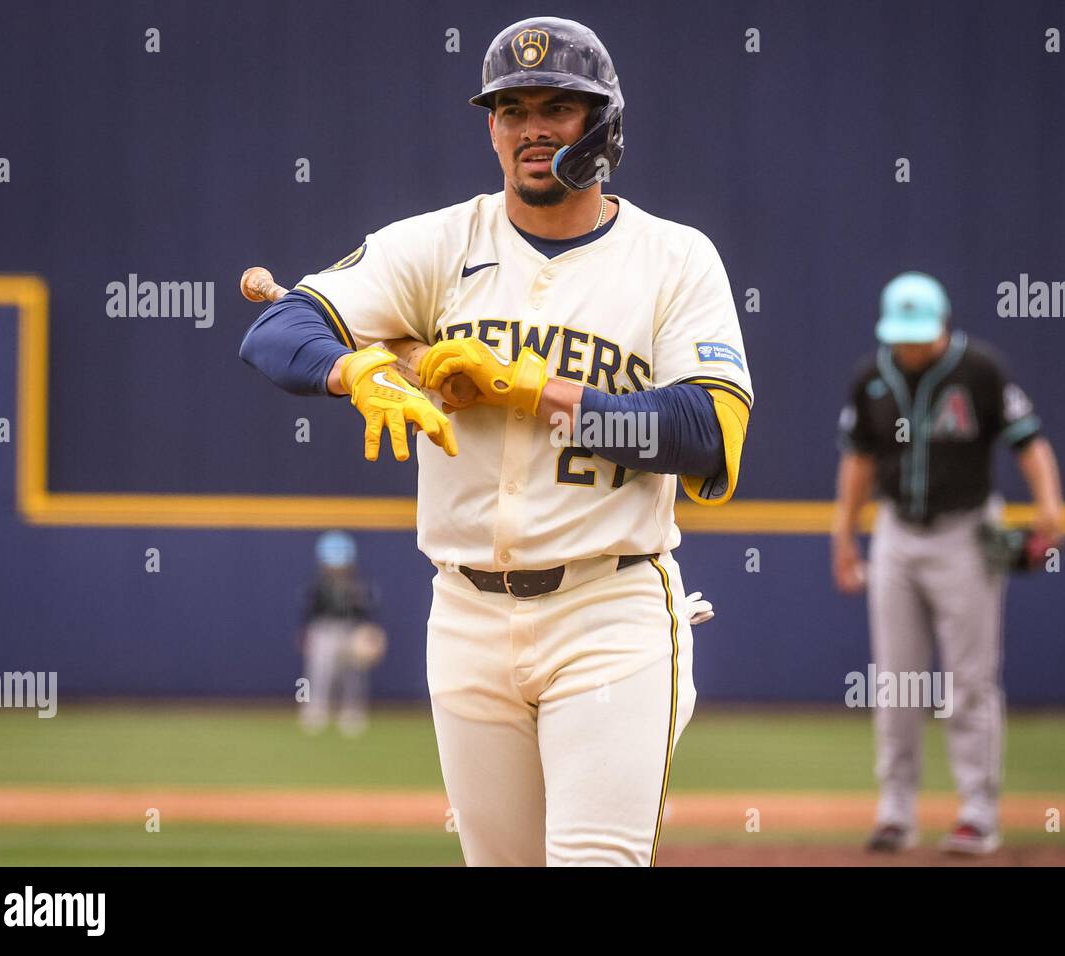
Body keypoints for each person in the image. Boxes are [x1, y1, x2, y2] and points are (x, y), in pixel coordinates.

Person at [239, 17, 751, 865]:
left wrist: (524, 388)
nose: (534, 129)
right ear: (490, 127)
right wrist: (357, 374)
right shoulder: (441, 244)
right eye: (512, 110)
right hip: (466, 612)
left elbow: (707, 431)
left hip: (608, 606)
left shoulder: (674, 259)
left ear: (606, 125)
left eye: (560, 107)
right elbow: (277, 330)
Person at [831, 271, 1065, 855]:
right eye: (900, 335)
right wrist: (843, 536)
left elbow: (1028, 439)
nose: (908, 346)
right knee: (896, 681)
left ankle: (979, 813)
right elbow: (858, 461)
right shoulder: (873, 377)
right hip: (896, 533)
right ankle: (895, 812)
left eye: (918, 334)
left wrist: (1051, 506)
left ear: (942, 326)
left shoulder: (980, 370)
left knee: (970, 680)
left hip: (965, 531)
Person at [299, 531, 385, 737]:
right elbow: (309, 612)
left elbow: (366, 613)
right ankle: (314, 711)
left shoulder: (358, 585)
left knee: (353, 675)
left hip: (350, 630)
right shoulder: (318, 584)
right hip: (324, 630)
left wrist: (368, 634)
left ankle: (352, 713)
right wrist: (306, 634)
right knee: (318, 673)